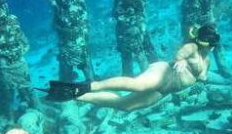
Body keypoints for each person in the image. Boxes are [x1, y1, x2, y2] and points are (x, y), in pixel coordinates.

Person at [41, 23, 221, 111]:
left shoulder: (207, 61)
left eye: (214, 44)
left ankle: (76, 95)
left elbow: (203, 77)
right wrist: (180, 60)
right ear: (202, 42)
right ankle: (88, 85)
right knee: (137, 84)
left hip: (165, 90)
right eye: (210, 43)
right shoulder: (192, 48)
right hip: (164, 73)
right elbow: (180, 54)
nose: (212, 47)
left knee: (126, 106)